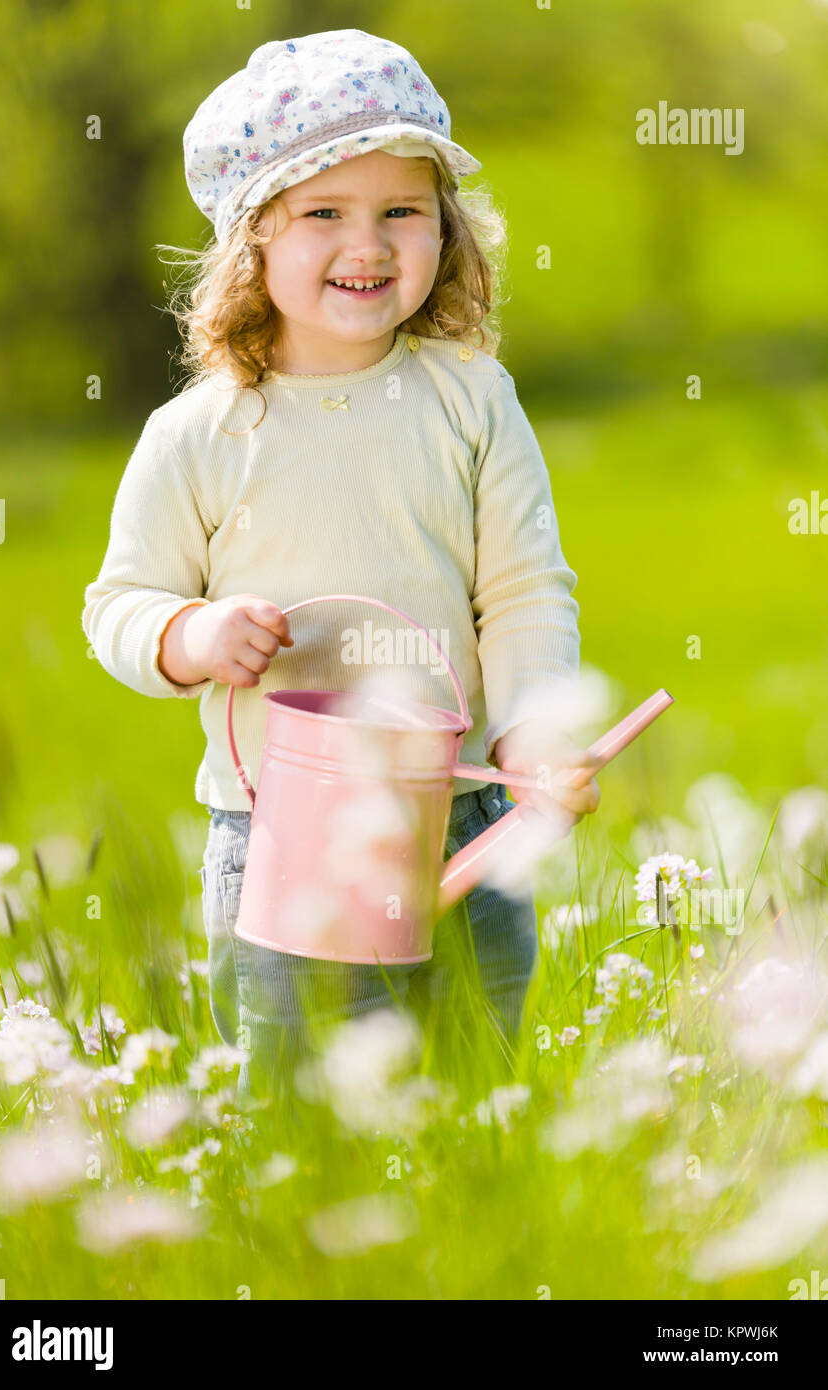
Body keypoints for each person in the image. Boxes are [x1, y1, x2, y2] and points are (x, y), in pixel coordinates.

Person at [81, 28, 601, 1102]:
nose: (366, 245)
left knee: (475, 1084)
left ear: (444, 230)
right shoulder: (201, 432)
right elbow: (120, 603)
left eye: (399, 210)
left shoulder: (470, 398)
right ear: (250, 244)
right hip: (283, 824)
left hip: (459, 807)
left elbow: (518, 590)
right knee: (303, 1104)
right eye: (323, 212)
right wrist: (190, 637)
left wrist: (535, 733)